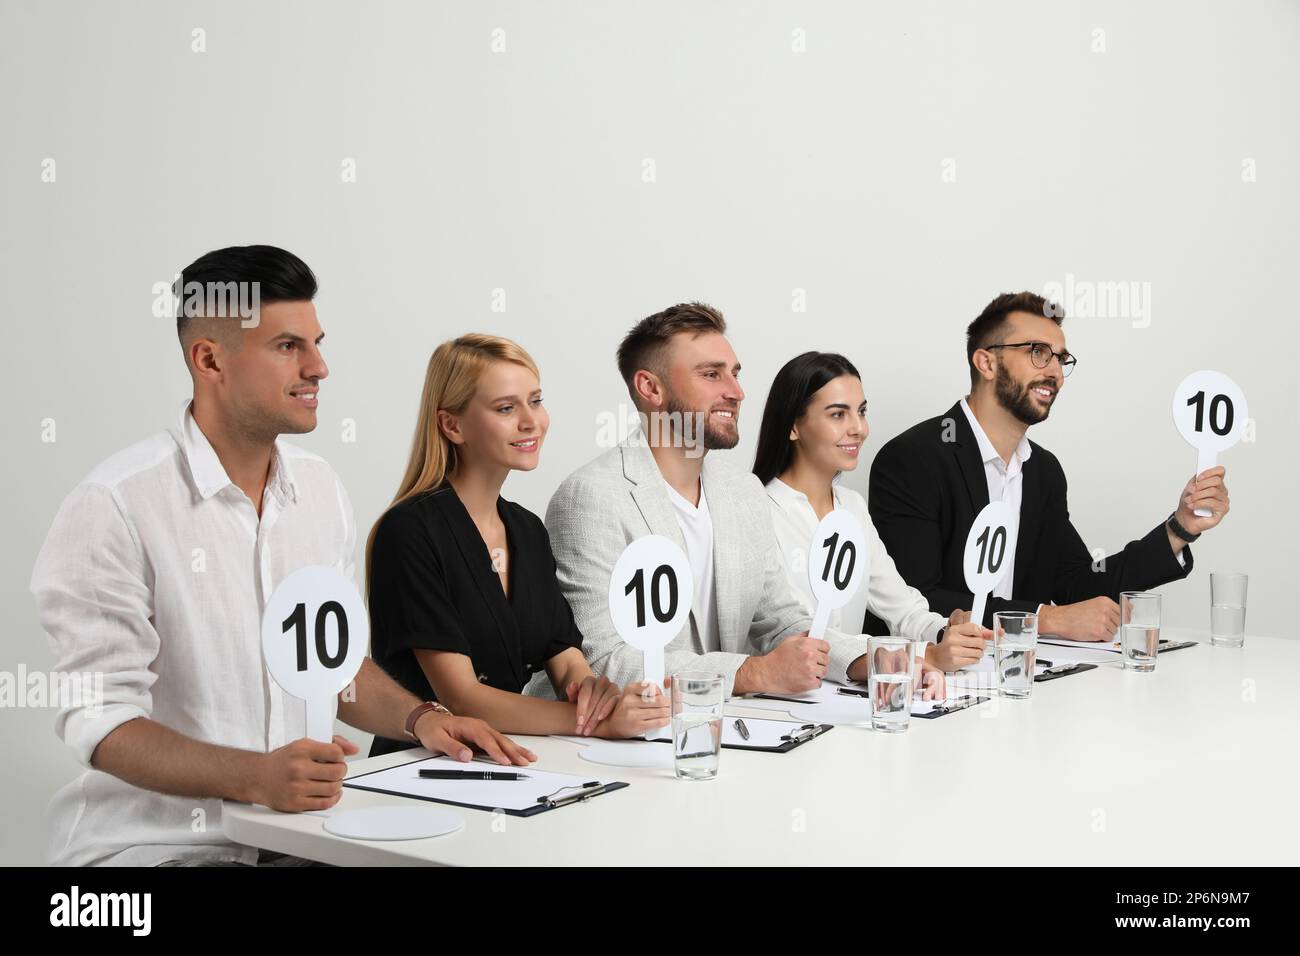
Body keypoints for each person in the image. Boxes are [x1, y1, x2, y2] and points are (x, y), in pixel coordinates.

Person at [31, 246, 531, 867]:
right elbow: (100, 720)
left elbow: (337, 667)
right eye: (288, 346)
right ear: (209, 359)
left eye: (317, 343)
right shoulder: (115, 504)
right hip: (155, 850)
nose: (320, 367)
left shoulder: (320, 491)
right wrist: (254, 777)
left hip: (301, 839)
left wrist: (422, 717)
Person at [531, 303, 946, 699]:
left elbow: (781, 619)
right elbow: (603, 660)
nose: (737, 391)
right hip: (608, 744)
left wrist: (869, 659)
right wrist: (754, 672)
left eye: (735, 373)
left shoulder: (741, 492)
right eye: (711, 375)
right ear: (650, 387)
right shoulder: (591, 497)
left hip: (721, 729)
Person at [366, 334, 670, 755]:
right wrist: (593, 724)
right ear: (452, 425)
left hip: (507, 761)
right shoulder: (410, 531)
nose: (532, 421)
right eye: (506, 408)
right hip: (420, 768)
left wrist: (593, 693)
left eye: (536, 401)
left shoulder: (526, 528)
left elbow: (562, 652)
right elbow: (461, 698)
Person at [867, 291, 1230, 640]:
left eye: (1061, 358)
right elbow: (914, 600)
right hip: (930, 683)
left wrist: (1179, 528)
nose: (1055, 370)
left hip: (1020, 679)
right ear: (987, 362)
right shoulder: (913, 459)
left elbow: (1078, 584)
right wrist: (1046, 618)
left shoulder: (1043, 471)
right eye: (1038, 352)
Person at [754, 351, 988, 674]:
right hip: (781, 709)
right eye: (838, 415)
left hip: (851, 700)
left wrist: (946, 631)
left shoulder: (852, 507)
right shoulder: (759, 513)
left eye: (861, 412)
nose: (859, 429)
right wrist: (920, 657)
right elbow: (795, 631)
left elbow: (903, 607)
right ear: (793, 426)